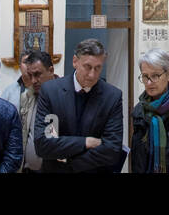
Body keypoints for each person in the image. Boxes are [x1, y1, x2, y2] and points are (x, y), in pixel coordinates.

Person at [33, 38, 125, 173]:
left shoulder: (112, 96)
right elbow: (44, 144)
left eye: (98, 68)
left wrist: (70, 163)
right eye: (87, 67)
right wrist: (86, 142)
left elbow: (112, 149)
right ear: (75, 61)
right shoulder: (51, 92)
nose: (92, 74)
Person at [0, 49, 56, 172]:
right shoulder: (28, 95)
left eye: (37, 74)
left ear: (51, 71)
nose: (34, 80)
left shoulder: (62, 97)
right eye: (30, 75)